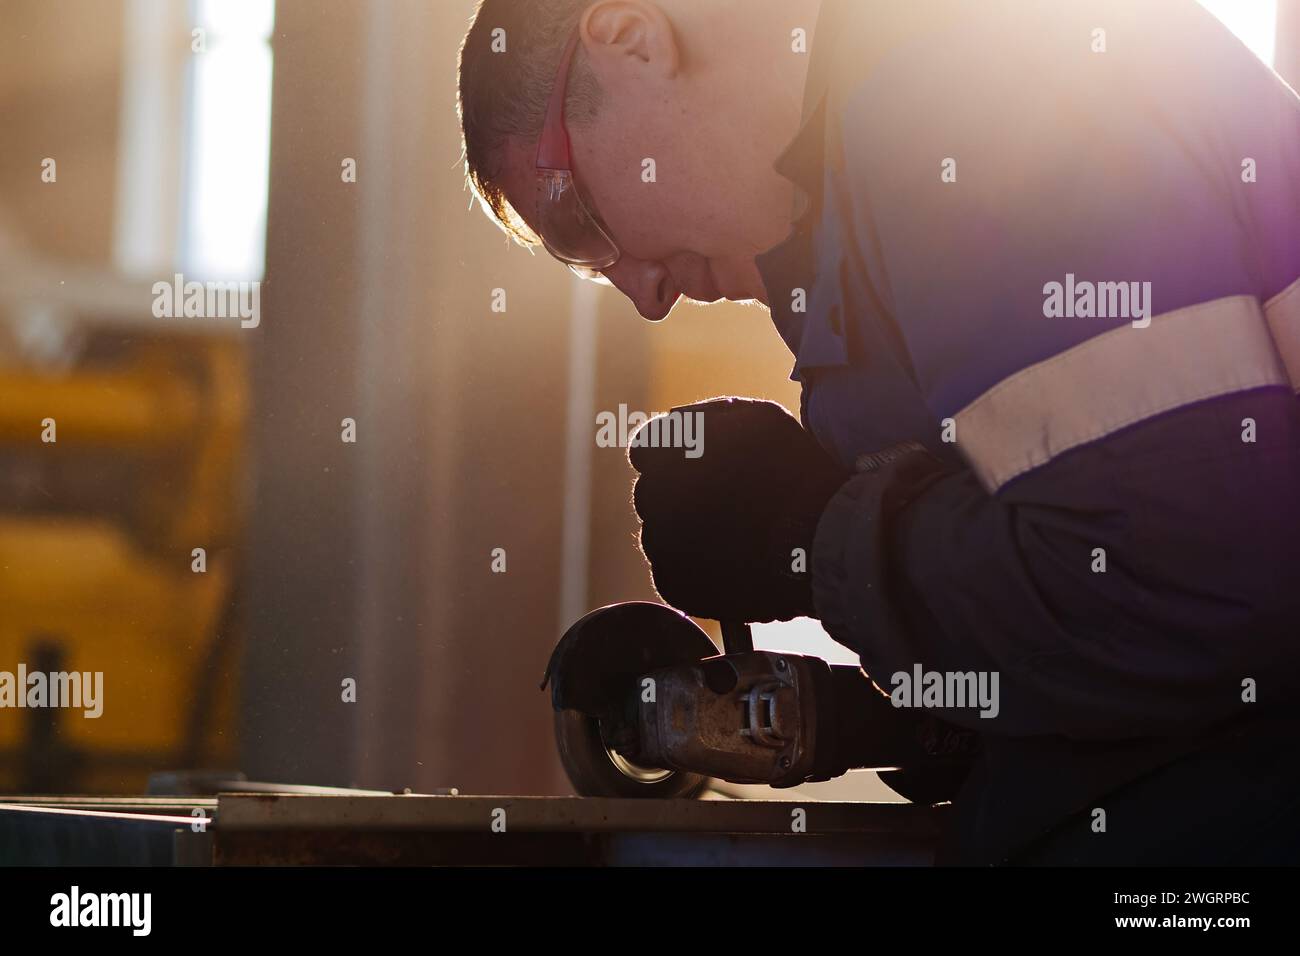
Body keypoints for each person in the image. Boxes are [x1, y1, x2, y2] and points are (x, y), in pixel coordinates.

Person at [457, 0, 1300, 863]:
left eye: (575, 220)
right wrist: (829, 718)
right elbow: (1106, 662)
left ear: (631, 38)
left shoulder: (971, 82)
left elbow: (1186, 592)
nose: (642, 292)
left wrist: (815, 538)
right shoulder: (860, 207)